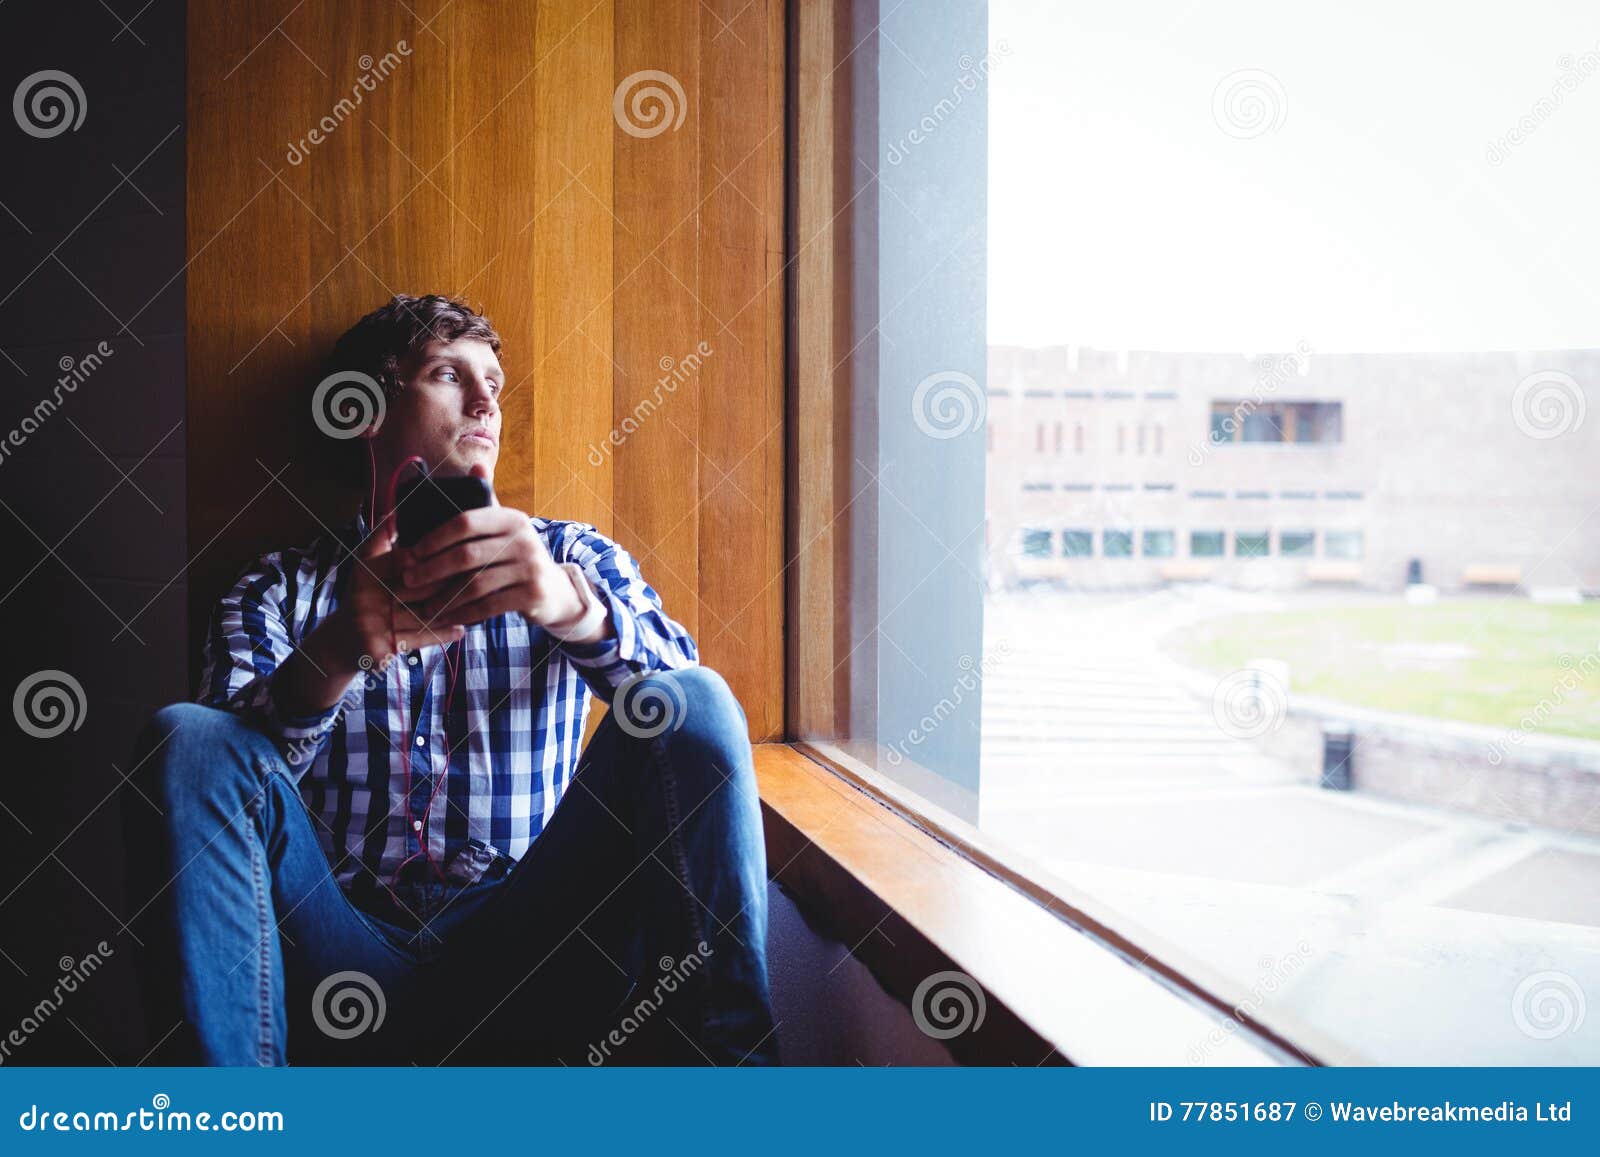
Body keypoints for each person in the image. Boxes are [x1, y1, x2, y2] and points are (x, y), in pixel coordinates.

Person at [121, 294, 776, 1066]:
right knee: (189, 735)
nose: (486, 399)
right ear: (363, 409)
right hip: (337, 951)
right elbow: (218, 783)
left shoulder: (570, 556)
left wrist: (565, 607)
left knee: (693, 696)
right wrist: (333, 655)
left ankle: (739, 1109)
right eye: (447, 373)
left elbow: (692, 724)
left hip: (531, 949)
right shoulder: (280, 590)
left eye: (494, 381)